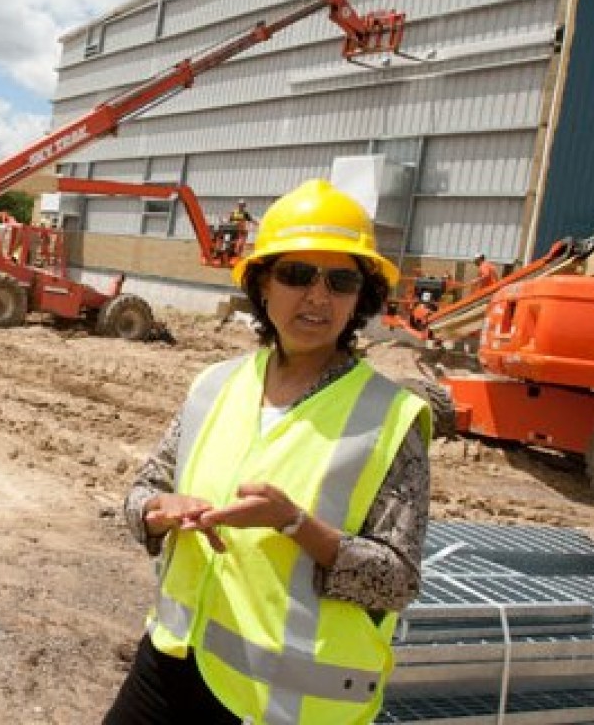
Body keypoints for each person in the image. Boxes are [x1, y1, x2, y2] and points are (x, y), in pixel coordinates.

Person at [105, 179, 432, 725]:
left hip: (282, 701)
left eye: (341, 281)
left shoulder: (389, 418)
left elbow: (397, 580)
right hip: (171, 661)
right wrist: (158, 510)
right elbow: (143, 491)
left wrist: (296, 524)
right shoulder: (214, 385)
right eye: (298, 274)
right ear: (262, 283)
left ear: (361, 297)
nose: (318, 297)